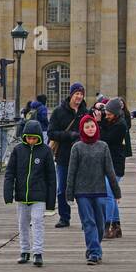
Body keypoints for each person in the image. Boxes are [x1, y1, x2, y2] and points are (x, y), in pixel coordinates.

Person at [65, 113, 121, 265]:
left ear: (96, 128)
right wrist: (69, 194)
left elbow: (110, 170)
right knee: (88, 222)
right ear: (82, 129)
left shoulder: (103, 146)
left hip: (99, 190)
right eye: (86, 126)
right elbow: (71, 171)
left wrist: (116, 192)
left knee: (100, 223)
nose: (90, 129)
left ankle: (93, 246)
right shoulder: (77, 147)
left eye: (92, 126)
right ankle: (95, 253)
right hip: (82, 192)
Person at [3, 117, 55, 267]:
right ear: (25, 137)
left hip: (39, 194)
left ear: (39, 137)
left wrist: (51, 202)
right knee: (23, 224)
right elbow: (10, 173)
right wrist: (8, 193)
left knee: (37, 221)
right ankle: (24, 250)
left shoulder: (46, 151)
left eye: (34, 138)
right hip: (22, 194)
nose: (31, 140)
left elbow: (52, 177)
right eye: (29, 138)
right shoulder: (18, 150)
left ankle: (37, 252)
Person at [48, 82, 88, 228]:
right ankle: (64, 217)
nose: (79, 96)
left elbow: (92, 131)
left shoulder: (86, 112)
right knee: (62, 189)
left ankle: (86, 219)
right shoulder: (59, 111)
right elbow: (51, 133)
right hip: (64, 156)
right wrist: (69, 135)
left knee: (83, 190)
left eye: (81, 94)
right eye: (77, 93)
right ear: (71, 95)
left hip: (82, 157)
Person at [99, 97, 132, 238]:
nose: (107, 116)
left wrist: (100, 123)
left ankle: (108, 226)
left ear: (116, 113)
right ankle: (117, 225)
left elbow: (105, 138)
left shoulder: (121, 125)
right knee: (110, 194)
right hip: (108, 163)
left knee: (109, 194)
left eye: (109, 113)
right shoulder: (113, 121)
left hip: (116, 165)